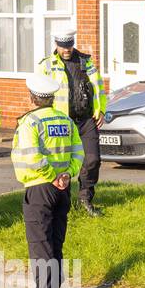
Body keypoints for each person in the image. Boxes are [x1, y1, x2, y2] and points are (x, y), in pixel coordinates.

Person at [10, 73, 84, 288]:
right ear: (51, 98)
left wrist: (51, 175)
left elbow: (33, 157)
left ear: (32, 97)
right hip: (62, 189)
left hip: (40, 187)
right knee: (55, 243)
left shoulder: (30, 123)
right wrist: (66, 175)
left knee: (40, 245)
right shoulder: (66, 121)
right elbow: (78, 154)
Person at [39, 24, 106, 216]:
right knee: (61, 162)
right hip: (62, 122)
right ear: (56, 44)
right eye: (62, 46)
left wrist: (100, 110)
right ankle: (61, 201)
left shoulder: (86, 61)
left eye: (69, 45)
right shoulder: (46, 65)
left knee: (92, 159)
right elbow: (39, 93)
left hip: (86, 120)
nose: (66, 49)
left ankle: (85, 198)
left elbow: (98, 87)